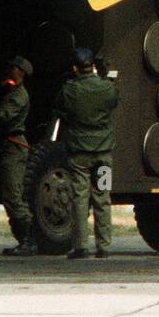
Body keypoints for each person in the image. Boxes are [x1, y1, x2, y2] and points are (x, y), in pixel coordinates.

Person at [54, 48, 119, 259]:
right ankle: (104, 246)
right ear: (92, 66)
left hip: (79, 154)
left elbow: (60, 107)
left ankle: (81, 246)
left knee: (80, 198)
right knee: (103, 196)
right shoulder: (108, 88)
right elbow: (115, 101)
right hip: (104, 153)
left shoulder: (70, 90)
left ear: (75, 68)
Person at [0, 56, 35, 257]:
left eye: (13, 68)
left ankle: (28, 240)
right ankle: (22, 240)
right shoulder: (11, 91)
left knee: (14, 195)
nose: (10, 70)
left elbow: (5, 116)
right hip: (7, 144)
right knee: (9, 195)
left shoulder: (19, 96)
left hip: (14, 147)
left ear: (20, 71)